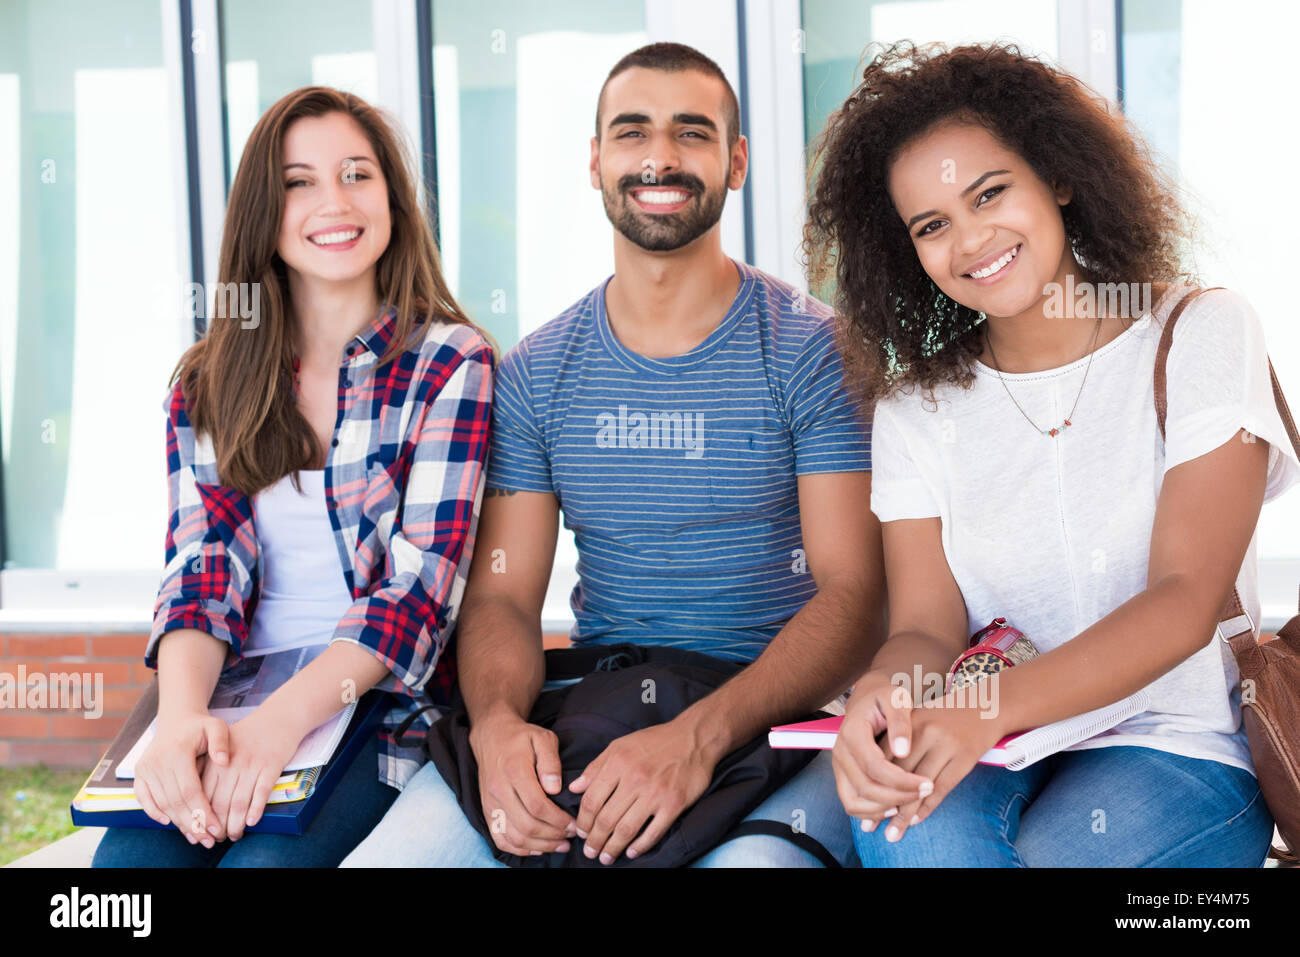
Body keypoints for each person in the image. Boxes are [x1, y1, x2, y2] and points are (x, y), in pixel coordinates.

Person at [343, 42, 883, 868]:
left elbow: (854, 596)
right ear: (595, 163)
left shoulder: (813, 352)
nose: (660, 156)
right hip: (598, 701)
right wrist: (495, 728)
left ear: (736, 161)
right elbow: (503, 601)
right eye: (632, 133)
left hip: (778, 718)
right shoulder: (535, 371)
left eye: (692, 133)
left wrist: (695, 740)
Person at [803, 41, 1299, 867]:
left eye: (989, 192)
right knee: (908, 831)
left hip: (1176, 744)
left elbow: (1183, 600)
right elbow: (927, 624)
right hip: (990, 738)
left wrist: (986, 706)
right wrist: (887, 694)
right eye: (932, 225)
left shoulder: (1199, 333)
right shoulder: (917, 406)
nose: (970, 240)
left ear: (1059, 178)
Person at [92, 86, 494, 867]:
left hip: (377, 710)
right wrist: (179, 720)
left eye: (357, 174)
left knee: (265, 868)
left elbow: (417, 593)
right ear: (262, 214)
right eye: (299, 181)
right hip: (228, 699)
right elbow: (201, 568)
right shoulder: (210, 380)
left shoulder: (451, 363)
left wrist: (277, 731)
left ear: (393, 199)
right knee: (125, 875)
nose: (333, 202)